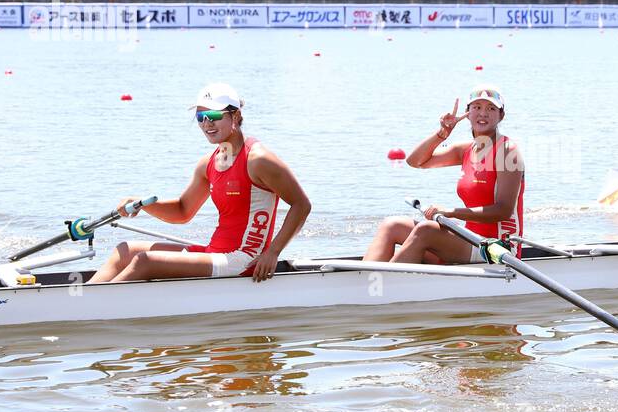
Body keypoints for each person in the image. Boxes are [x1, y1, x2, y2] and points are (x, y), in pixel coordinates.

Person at [89, 82, 311, 283]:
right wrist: (142, 204)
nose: (206, 124)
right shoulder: (208, 163)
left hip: (244, 259)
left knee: (144, 261)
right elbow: (183, 211)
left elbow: (301, 204)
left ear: (235, 116)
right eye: (200, 117)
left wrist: (273, 252)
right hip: (215, 252)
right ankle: (83, 300)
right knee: (125, 251)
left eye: (214, 115)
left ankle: (90, 311)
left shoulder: (259, 160)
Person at [365, 86, 525, 264]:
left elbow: (503, 211)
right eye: (477, 107)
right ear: (467, 114)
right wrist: (443, 133)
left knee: (426, 229)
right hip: (470, 237)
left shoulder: (507, 151)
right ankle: (367, 283)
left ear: (501, 116)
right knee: (392, 225)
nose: (483, 113)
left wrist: (450, 212)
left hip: (497, 248)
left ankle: (384, 287)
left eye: (491, 109)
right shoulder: (465, 150)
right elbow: (415, 161)